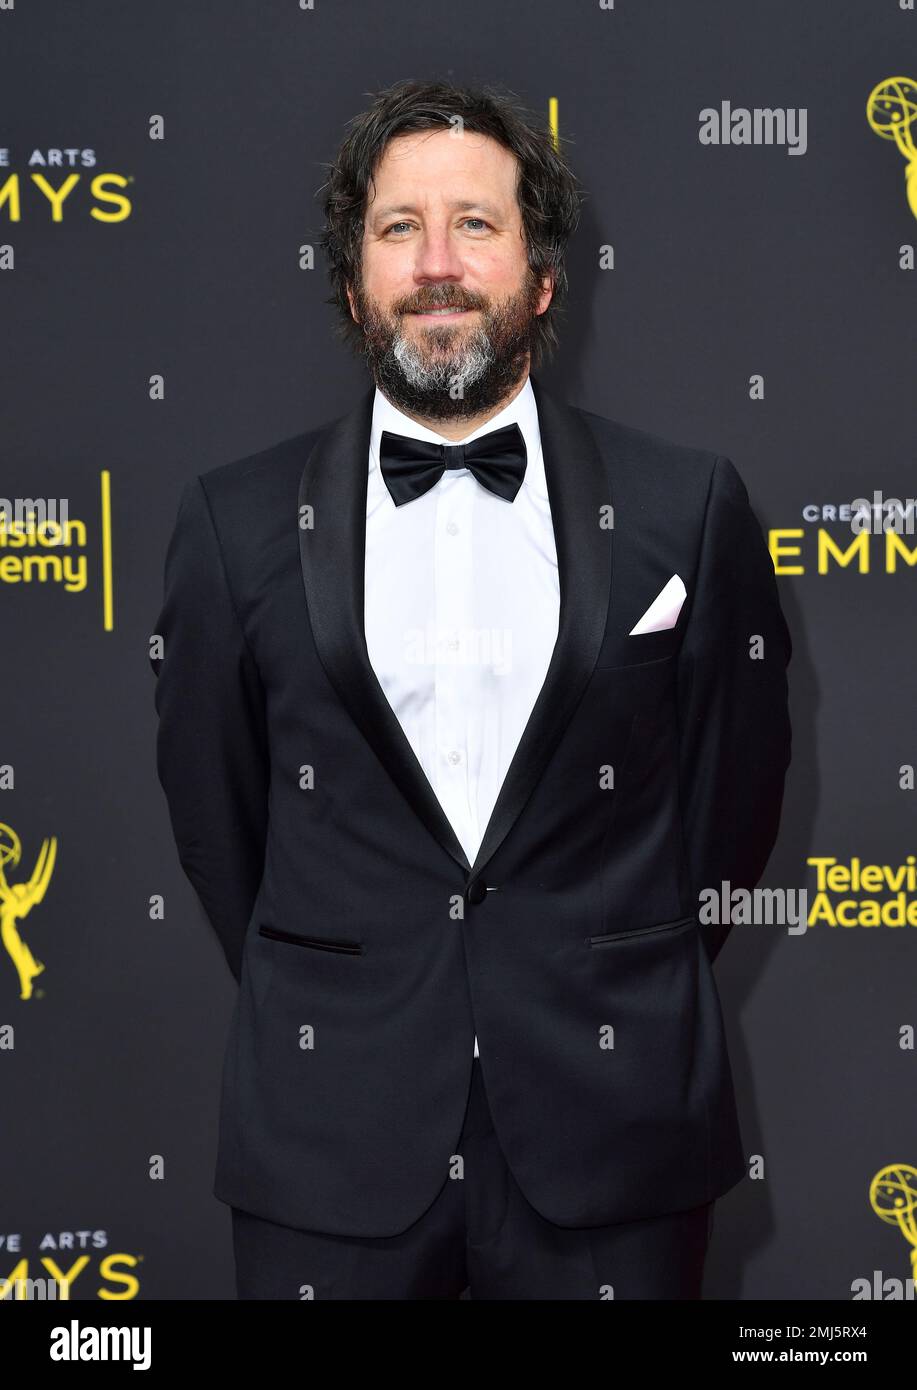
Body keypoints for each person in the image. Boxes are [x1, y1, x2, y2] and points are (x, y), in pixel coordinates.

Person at [150, 78, 792, 1300]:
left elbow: (726, 807)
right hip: (329, 1141)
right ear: (351, 280)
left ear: (542, 277)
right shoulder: (233, 527)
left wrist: (594, 960)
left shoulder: (683, 509)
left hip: (613, 1136)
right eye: (398, 229)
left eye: (475, 226)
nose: (436, 263)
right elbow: (221, 825)